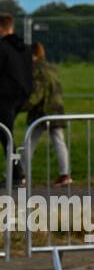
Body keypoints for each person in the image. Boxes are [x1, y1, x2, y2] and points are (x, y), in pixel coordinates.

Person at [21, 43, 71, 185]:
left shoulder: (36, 70)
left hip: (42, 111)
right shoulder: (51, 68)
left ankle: (21, 173)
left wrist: (23, 107)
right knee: (59, 141)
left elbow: (37, 93)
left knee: (30, 141)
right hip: (57, 108)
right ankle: (65, 174)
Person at [0, 12, 33, 187]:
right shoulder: (24, 48)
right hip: (21, 97)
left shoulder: (2, 47)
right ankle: (16, 173)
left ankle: (17, 173)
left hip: (4, 97)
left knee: (6, 135)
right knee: (7, 134)